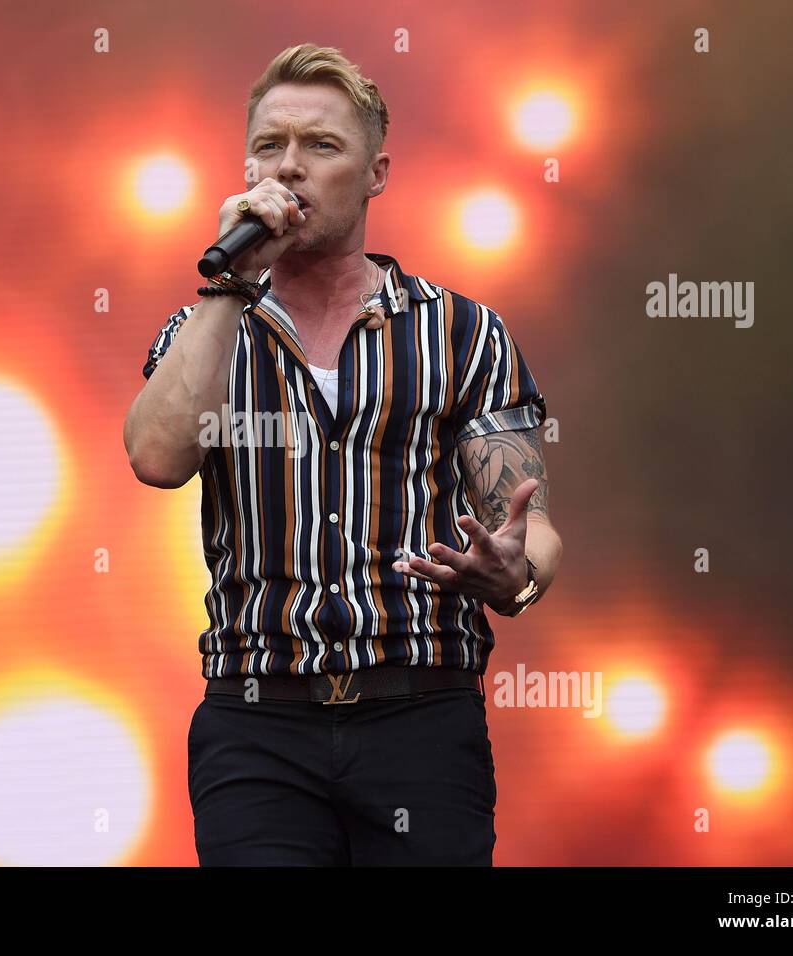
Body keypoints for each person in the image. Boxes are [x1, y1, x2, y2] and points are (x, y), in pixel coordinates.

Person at [123, 43, 563, 866]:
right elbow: (156, 456)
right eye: (269, 146)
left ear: (376, 173)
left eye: (321, 147)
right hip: (257, 724)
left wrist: (516, 574)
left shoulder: (461, 333)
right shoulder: (203, 335)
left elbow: (530, 527)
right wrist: (227, 287)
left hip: (420, 716)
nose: (288, 168)